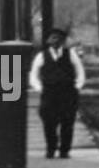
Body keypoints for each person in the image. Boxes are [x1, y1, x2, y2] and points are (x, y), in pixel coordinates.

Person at [29, 28, 86, 159]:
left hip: (68, 94)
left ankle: (64, 150)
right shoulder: (41, 56)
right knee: (49, 123)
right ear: (48, 40)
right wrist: (39, 88)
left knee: (67, 123)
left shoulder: (70, 54)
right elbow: (34, 75)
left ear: (63, 41)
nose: (56, 41)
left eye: (59, 38)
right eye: (53, 38)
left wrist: (77, 86)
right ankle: (51, 148)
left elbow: (80, 71)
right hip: (49, 94)